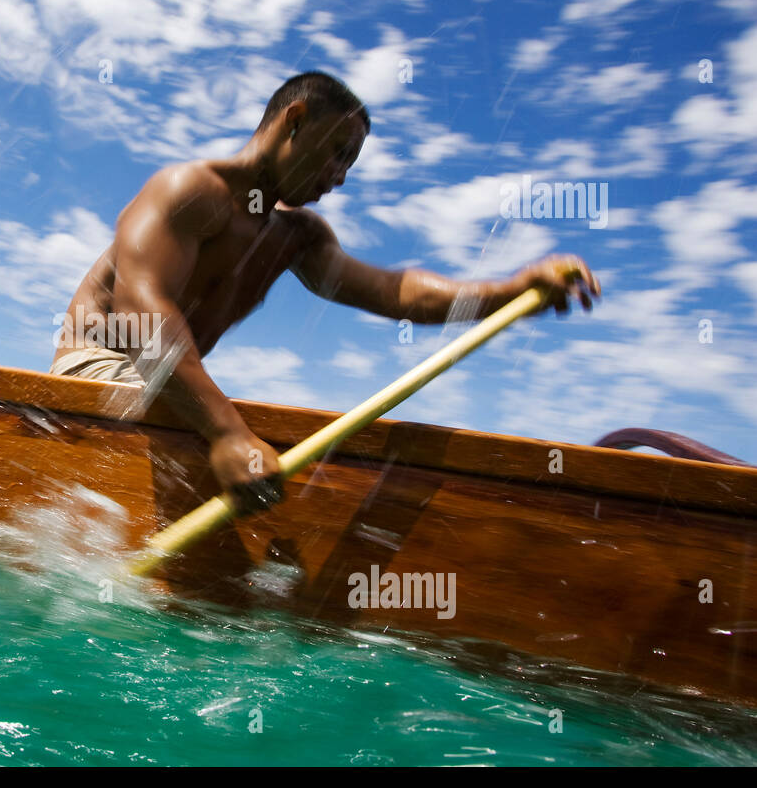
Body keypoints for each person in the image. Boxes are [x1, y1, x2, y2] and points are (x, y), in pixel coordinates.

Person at [52, 71, 600, 514]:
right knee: (241, 434)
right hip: (96, 375)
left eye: (350, 163)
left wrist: (510, 292)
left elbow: (396, 292)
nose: (339, 177)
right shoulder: (190, 190)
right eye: (337, 152)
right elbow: (141, 316)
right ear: (295, 120)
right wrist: (226, 435)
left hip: (164, 389)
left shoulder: (296, 236)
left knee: (262, 442)